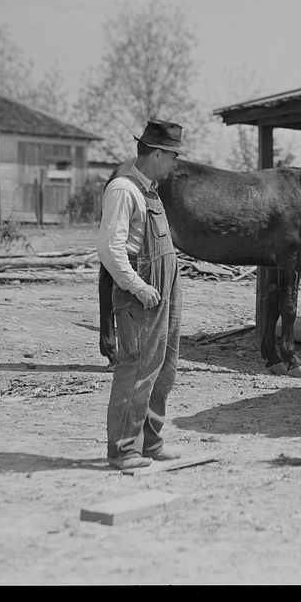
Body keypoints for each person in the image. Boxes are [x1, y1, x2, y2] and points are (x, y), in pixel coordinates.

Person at [97, 120, 186, 470]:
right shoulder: (123, 189)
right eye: (173, 156)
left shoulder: (150, 190)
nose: (176, 163)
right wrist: (137, 285)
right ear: (158, 153)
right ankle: (122, 449)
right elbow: (110, 248)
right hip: (142, 292)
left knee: (163, 368)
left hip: (165, 289)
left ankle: (150, 441)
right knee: (135, 369)